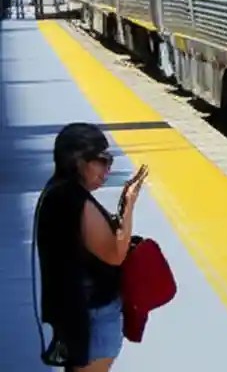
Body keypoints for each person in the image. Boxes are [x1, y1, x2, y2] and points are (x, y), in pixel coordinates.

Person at [34, 123, 149, 372]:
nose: (107, 170)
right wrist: (128, 208)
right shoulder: (73, 200)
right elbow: (115, 254)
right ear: (78, 161)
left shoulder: (57, 193)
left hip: (77, 313)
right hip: (93, 317)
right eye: (102, 160)